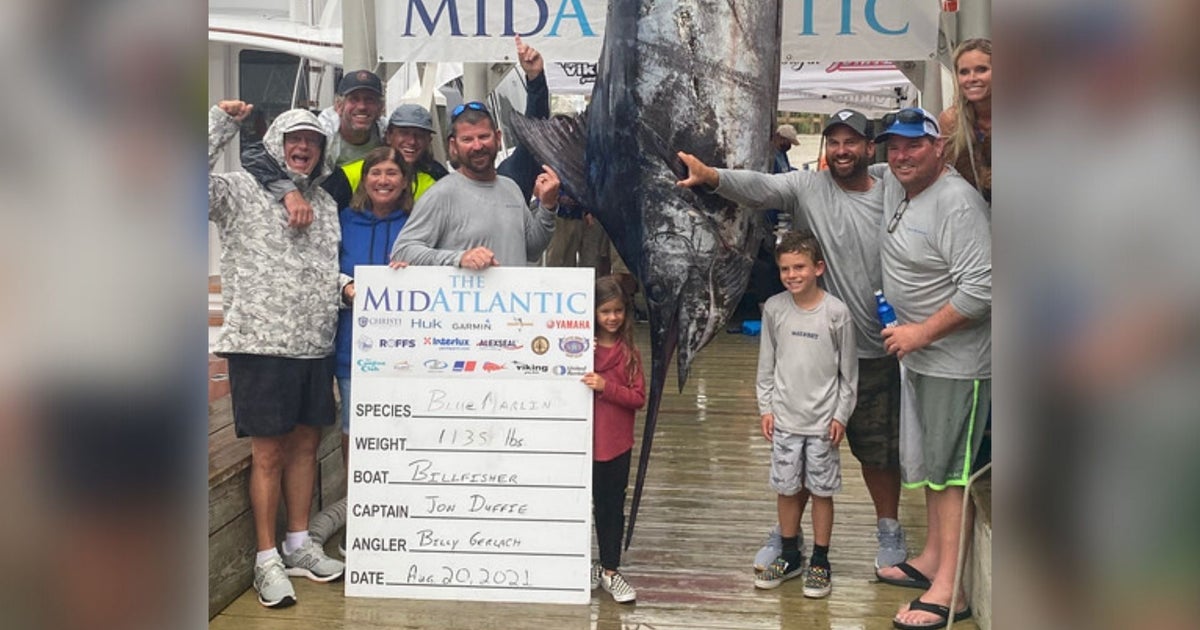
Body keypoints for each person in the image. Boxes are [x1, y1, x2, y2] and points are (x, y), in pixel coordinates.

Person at [676, 108, 910, 573]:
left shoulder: (893, 189)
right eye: (833, 142)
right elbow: (760, 187)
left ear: (870, 147)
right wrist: (712, 177)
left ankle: (889, 527)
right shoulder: (807, 186)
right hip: (812, 355)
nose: (842, 151)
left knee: (879, 452)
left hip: (876, 348)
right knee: (801, 451)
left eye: (851, 142)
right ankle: (787, 534)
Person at [208, 100, 345, 608]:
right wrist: (220, 122)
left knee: (306, 445)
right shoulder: (238, 190)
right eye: (294, 139)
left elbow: (325, 267)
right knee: (267, 453)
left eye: (312, 140)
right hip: (259, 345)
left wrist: (345, 288)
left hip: (314, 345)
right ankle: (265, 557)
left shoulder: (326, 204)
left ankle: (298, 543)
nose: (303, 147)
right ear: (275, 145)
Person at [870, 108, 990, 630]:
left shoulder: (957, 203)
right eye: (893, 146)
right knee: (934, 467)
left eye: (913, 144)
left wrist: (919, 333)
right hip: (921, 358)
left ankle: (951, 591)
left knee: (951, 472)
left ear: (939, 147)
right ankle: (935, 559)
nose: (901, 155)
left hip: (958, 364)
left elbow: (983, 289)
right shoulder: (901, 187)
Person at [752, 230, 858, 597]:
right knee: (786, 488)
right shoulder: (775, 309)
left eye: (799, 267)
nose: (792, 275)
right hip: (785, 420)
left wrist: (841, 415)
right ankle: (789, 554)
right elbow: (766, 365)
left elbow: (848, 374)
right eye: (785, 269)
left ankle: (821, 560)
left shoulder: (837, 313)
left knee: (822, 491)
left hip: (823, 423)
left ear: (818, 268)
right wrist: (766, 407)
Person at [389, 100, 558, 268]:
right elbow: (403, 251)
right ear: (453, 146)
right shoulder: (441, 193)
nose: (477, 146)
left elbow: (532, 250)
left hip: (512, 287)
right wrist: (459, 258)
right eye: (467, 139)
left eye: (484, 137)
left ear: (498, 138)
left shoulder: (511, 188)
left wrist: (547, 206)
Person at [333, 147, 414, 469]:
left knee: (402, 427)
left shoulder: (417, 224)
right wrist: (345, 288)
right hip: (352, 346)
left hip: (406, 350)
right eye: (376, 173)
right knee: (353, 428)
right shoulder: (343, 221)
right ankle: (354, 495)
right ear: (364, 180)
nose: (383, 180)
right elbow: (324, 270)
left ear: (405, 181)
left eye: (392, 173)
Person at [581, 275, 647, 604]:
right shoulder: (579, 350)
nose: (612, 317)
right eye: (605, 311)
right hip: (581, 444)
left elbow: (638, 398)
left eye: (618, 310)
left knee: (611, 507)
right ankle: (585, 563)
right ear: (593, 312)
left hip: (616, 445)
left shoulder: (630, 353)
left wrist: (607, 388)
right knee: (581, 506)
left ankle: (610, 568)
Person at [938, 38, 992, 204]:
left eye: (981, 70)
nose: (972, 78)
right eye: (964, 72)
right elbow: (948, 177)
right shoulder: (951, 120)